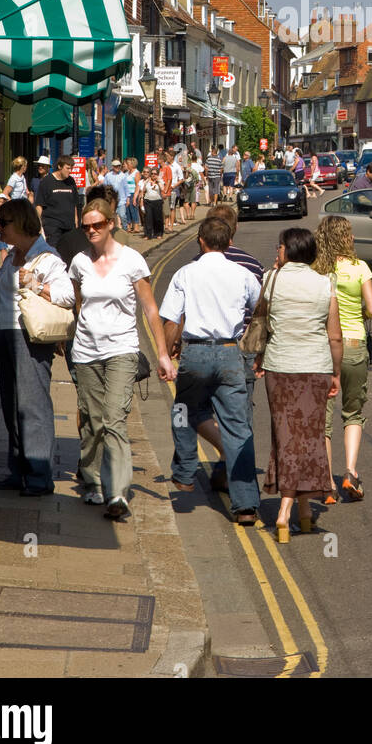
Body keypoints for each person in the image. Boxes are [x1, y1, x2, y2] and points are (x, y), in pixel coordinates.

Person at [70, 199, 175, 518]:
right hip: (86, 352)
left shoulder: (132, 261)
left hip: (122, 350)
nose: (91, 231)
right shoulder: (79, 262)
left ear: (112, 223)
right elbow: (77, 304)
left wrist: (162, 354)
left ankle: (117, 492)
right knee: (91, 421)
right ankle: (92, 482)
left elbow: (151, 309)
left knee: (114, 418)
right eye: (86, 226)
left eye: (97, 225)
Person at [160, 216, 262, 525]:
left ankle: (185, 471)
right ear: (229, 242)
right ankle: (245, 506)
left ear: (201, 242)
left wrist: (166, 352)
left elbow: (171, 319)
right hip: (231, 353)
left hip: (197, 351)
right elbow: (260, 310)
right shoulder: (243, 274)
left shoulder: (186, 273)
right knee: (238, 428)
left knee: (182, 409)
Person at [0, 197, 75, 495]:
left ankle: (39, 476)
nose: (0, 229)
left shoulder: (47, 258)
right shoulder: (13, 257)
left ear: (20, 223)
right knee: (11, 404)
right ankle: (17, 469)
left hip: (30, 336)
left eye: (3, 223)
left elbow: (67, 296)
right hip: (7, 333)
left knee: (32, 404)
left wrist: (36, 285)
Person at [256, 227, 343, 543]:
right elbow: (334, 335)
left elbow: (261, 323)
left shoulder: (271, 279)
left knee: (286, 436)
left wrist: (258, 358)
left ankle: (300, 512)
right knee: (308, 437)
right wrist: (336, 373)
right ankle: (287, 512)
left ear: (288, 250)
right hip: (315, 368)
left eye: (280, 246)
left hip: (280, 368)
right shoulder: (325, 284)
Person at [314, 216, 372, 504]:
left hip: (324, 348)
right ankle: (350, 473)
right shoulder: (359, 268)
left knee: (323, 420)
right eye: (349, 234)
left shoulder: (318, 270)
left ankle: (327, 484)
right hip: (354, 345)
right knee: (353, 413)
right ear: (344, 238)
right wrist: (359, 314)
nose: (353, 238)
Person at [34, 155, 80, 251]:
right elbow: (39, 205)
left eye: (71, 168)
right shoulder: (46, 182)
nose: (70, 171)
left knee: (68, 254)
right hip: (52, 226)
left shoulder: (71, 181)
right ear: (60, 166)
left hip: (69, 226)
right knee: (54, 253)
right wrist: (39, 225)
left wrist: (76, 222)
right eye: (67, 168)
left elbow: (74, 203)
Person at [104, 158, 129, 231]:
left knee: (122, 215)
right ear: (112, 166)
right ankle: (112, 230)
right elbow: (105, 186)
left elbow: (126, 187)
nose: (117, 167)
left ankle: (125, 229)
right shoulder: (108, 175)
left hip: (121, 199)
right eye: (115, 166)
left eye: (119, 166)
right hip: (111, 200)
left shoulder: (123, 176)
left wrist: (128, 198)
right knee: (111, 216)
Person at [142, 165, 165, 239]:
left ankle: (158, 233)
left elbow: (162, 189)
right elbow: (143, 190)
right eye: (152, 173)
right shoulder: (147, 181)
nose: (153, 175)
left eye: (155, 174)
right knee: (148, 218)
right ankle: (148, 234)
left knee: (157, 218)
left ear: (158, 174)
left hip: (157, 201)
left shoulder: (160, 181)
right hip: (148, 201)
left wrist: (158, 181)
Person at [123, 158, 141, 233]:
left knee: (134, 210)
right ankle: (129, 226)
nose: (126, 165)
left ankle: (136, 227)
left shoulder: (136, 173)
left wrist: (135, 197)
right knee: (127, 210)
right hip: (127, 194)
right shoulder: (126, 173)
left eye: (128, 164)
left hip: (133, 193)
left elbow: (137, 185)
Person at [160, 151, 174, 232]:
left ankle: (166, 226)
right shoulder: (160, 169)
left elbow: (169, 179)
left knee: (166, 210)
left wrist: (165, 190)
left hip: (166, 192)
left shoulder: (167, 168)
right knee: (162, 210)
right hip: (160, 192)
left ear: (162, 160)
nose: (157, 160)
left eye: (158, 159)